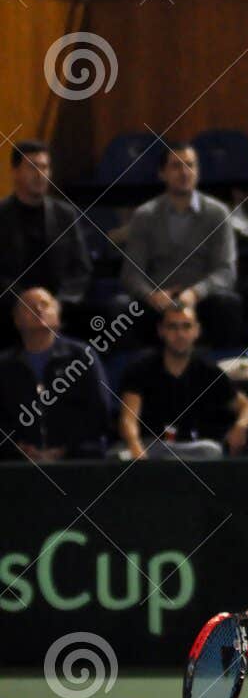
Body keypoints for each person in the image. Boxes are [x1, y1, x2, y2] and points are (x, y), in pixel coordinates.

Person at [118, 142, 242, 348]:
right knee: (120, 308)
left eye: (190, 165)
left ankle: (221, 370)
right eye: (176, 166)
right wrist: (151, 296)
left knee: (229, 304)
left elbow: (226, 271)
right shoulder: (145, 215)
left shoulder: (217, 213)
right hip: (157, 301)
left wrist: (195, 293)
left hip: (202, 300)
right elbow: (131, 273)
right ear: (162, 173)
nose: (184, 172)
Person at [119, 302, 248, 459]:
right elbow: (128, 419)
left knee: (211, 451)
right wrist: (135, 446)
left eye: (186, 326)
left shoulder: (209, 371)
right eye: (173, 327)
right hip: (153, 449)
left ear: (196, 331)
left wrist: (240, 427)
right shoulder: (140, 369)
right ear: (161, 331)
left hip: (197, 451)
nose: (180, 334)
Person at [0, 287, 110, 461]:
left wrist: (64, 449)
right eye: (29, 306)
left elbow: (99, 410)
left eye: (45, 304)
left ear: (58, 315)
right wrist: (18, 448)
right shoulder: (5, 364)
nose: (38, 310)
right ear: (16, 319)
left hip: (78, 459)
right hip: (16, 463)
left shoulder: (81, 356)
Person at [0, 141, 91, 329]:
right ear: (15, 172)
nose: (40, 175)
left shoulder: (65, 214)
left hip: (60, 307)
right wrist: (24, 301)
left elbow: (81, 268)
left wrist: (58, 302)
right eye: (32, 167)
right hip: (9, 307)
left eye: (45, 167)